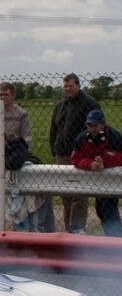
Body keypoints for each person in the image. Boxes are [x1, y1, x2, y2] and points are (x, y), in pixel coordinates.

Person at [50, 74, 98, 232]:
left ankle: (78, 228)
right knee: (65, 193)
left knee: (79, 193)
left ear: (78, 85)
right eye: (65, 86)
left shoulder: (89, 103)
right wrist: (54, 148)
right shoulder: (60, 105)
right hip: (62, 154)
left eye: (71, 86)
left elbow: (97, 128)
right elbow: (53, 128)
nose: (68, 89)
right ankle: (68, 228)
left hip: (81, 154)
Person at [0, 129, 54, 232]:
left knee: (38, 224)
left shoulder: (17, 146)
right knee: (21, 224)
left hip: (37, 188)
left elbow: (14, 163)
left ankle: (47, 240)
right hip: (18, 192)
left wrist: (1, 155)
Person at [70, 109, 122, 236]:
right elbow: (75, 158)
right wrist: (90, 164)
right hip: (94, 178)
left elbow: (119, 157)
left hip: (111, 178)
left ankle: (116, 238)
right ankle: (113, 238)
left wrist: (104, 162)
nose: (92, 129)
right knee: (101, 209)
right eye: (89, 125)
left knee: (108, 209)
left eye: (95, 125)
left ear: (103, 124)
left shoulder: (114, 136)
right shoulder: (82, 138)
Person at [0, 83, 32, 148]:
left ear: (13, 96)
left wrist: (23, 150)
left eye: (6, 95)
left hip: (16, 148)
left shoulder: (22, 114)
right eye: (1, 95)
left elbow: (27, 136)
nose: (3, 97)